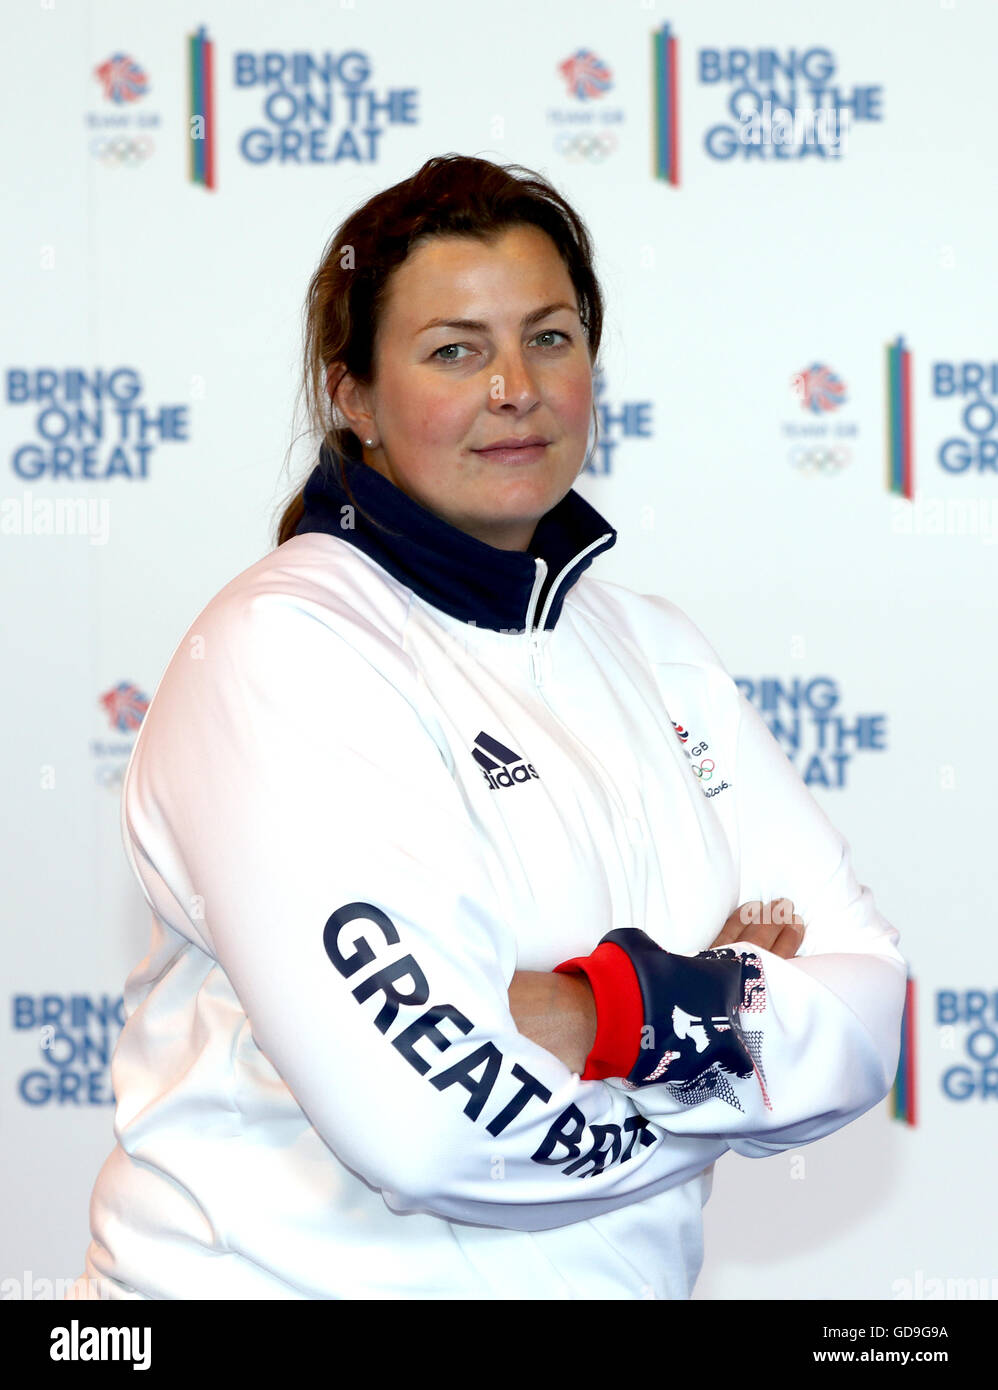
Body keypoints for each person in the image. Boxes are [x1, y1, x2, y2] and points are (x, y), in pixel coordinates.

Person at [68, 154, 906, 1301]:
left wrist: (597, 1010)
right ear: (353, 396)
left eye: (548, 337)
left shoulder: (654, 647)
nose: (514, 385)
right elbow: (423, 1128)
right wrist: (725, 1042)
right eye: (454, 349)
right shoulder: (284, 651)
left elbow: (863, 1010)